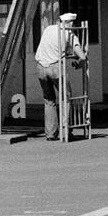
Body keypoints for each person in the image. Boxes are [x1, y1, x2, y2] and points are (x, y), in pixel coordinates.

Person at [34, 11, 87, 140]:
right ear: (70, 23)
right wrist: (78, 64)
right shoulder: (70, 34)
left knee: (49, 100)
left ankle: (50, 133)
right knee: (65, 98)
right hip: (56, 67)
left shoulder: (48, 29)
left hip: (41, 67)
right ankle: (65, 131)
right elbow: (82, 57)